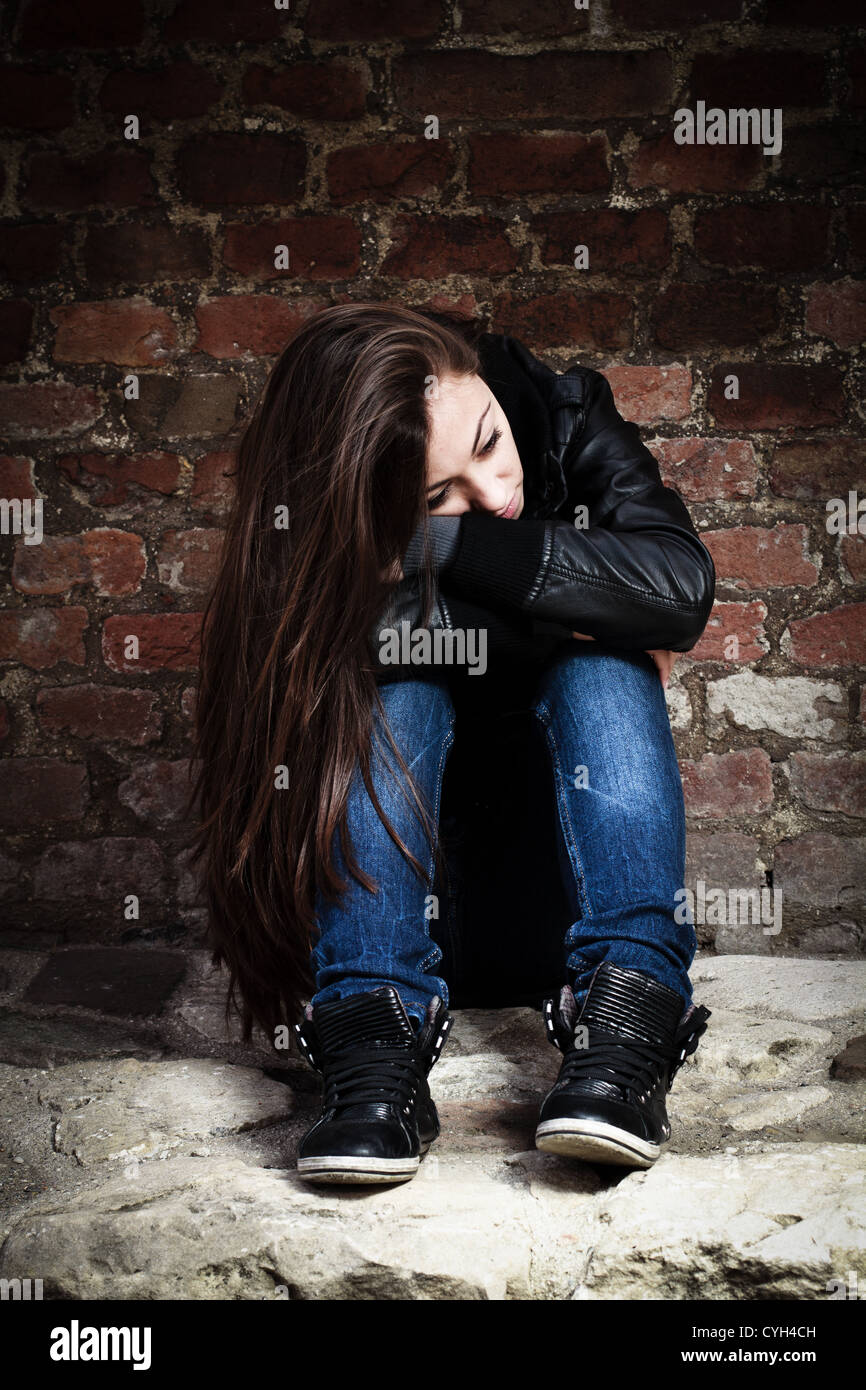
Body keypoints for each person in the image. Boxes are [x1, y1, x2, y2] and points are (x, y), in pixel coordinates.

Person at [187, 302, 714, 1188]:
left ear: (490, 387)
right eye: (436, 502)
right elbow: (314, 646)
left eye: (488, 442)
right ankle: (371, 1049)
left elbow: (679, 587)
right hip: (390, 929)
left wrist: (447, 547)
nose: (494, 491)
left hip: (558, 923)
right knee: (411, 672)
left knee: (605, 664)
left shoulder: (565, 413)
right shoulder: (307, 528)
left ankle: (628, 1026)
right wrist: (564, 608)